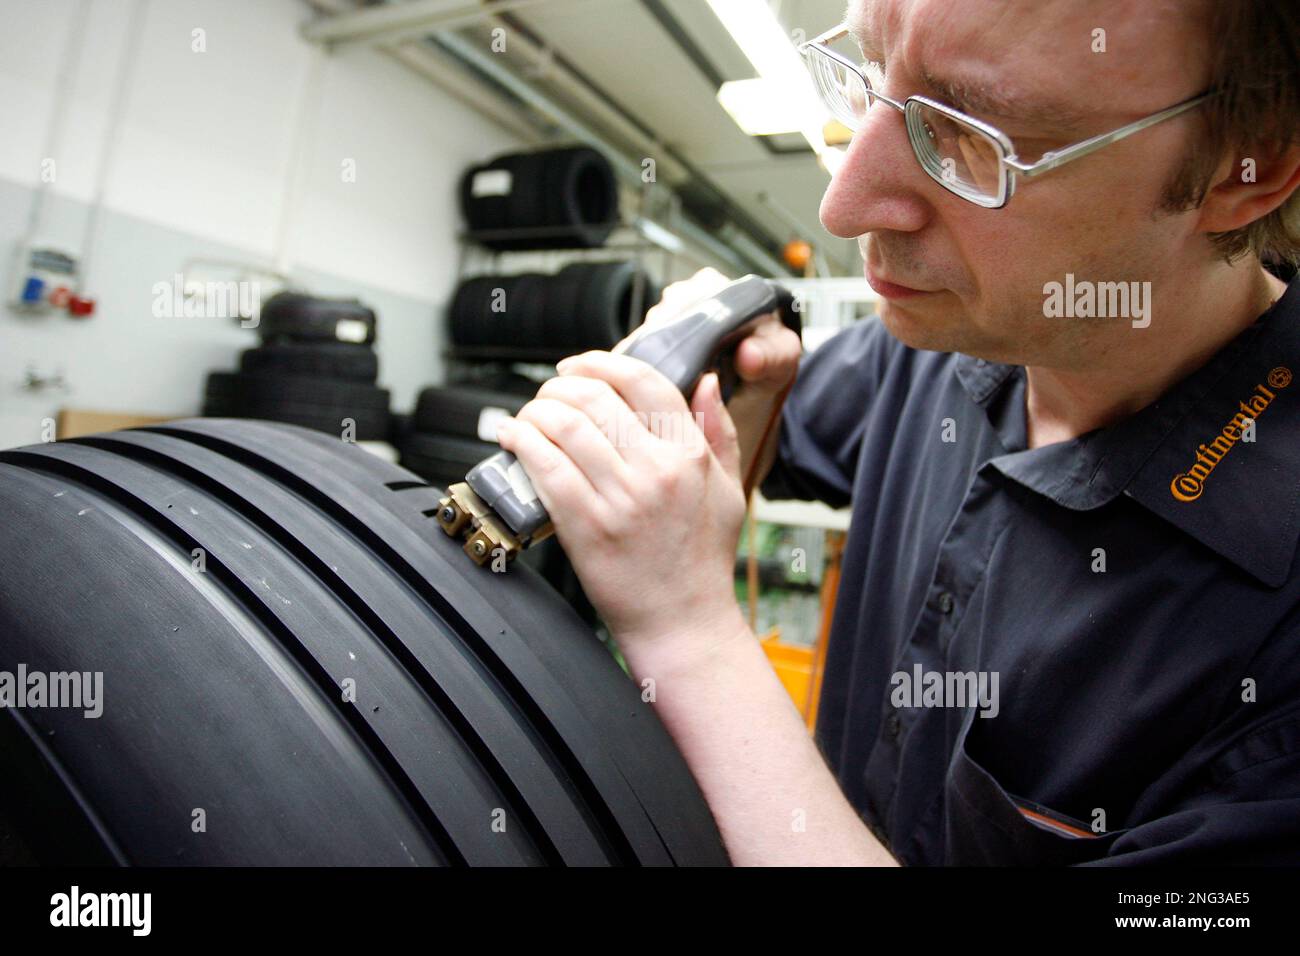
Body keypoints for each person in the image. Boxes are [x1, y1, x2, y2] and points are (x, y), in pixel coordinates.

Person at [495, 0, 1300, 865]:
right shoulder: (925, 348)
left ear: (1241, 173)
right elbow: (766, 441)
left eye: (972, 137)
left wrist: (688, 633)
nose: (844, 206)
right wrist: (731, 406)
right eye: (870, 75)